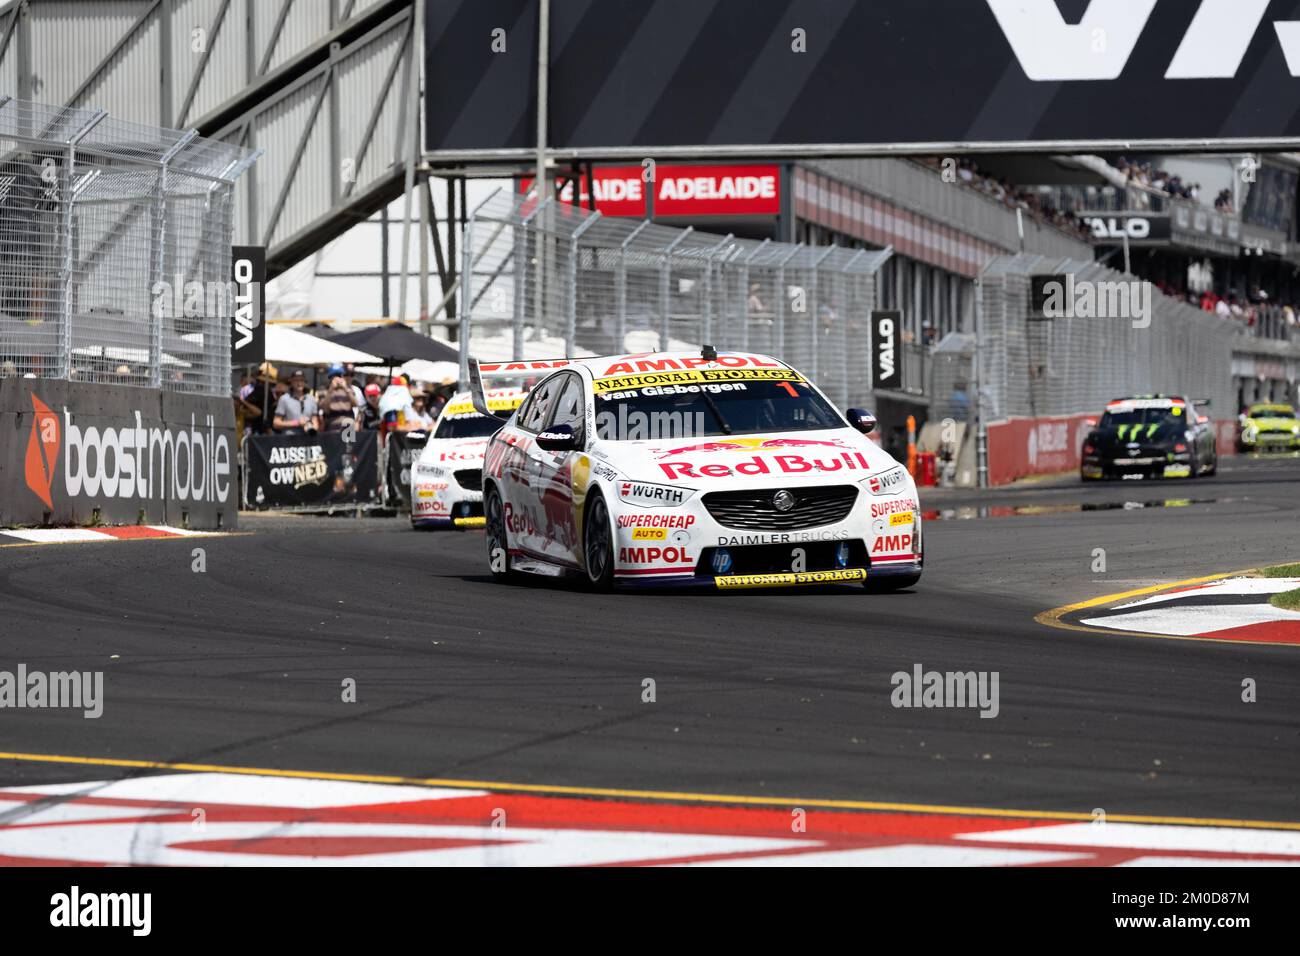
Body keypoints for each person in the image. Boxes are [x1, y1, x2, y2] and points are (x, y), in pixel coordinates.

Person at [273, 369, 319, 434]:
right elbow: (276, 423)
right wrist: (297, 423)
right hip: (290, 440)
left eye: (301, 380)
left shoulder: (311, 399)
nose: (299, 383)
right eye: (296, 380)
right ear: (291, 382)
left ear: (305, 382)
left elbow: (315, 420)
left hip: (308, 439)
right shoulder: (284, 399)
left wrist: (312, 428)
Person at [321, 364, 358, 431]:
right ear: (330, 377)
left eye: (339, 375)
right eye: (335, 376)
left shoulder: (349, 388)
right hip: (333, 425)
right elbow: (325, 409)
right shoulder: (324, 390)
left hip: (348, 424)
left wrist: (346, 388)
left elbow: (355, 404)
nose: (337, 378)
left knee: (349, 441)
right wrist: (330, 390)